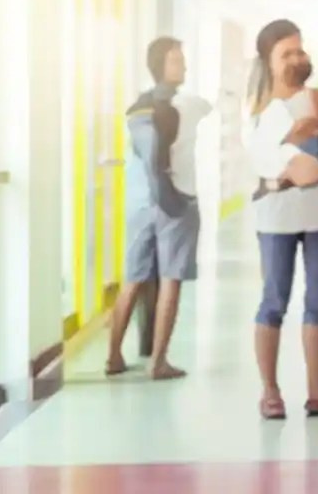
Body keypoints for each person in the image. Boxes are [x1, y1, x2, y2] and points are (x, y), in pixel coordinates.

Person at [247, 19, 318, 420]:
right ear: (268, 61)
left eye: (300, 50)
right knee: (273, 301)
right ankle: (270, 392)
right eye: (286, 53)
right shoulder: (263, 113)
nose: (297, 58)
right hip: (275, 216)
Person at [108, 37, 212, 380]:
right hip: (177, 202)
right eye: (176, 60)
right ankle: (158, 361)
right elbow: (209, 106)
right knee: (171, 279)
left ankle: (113, 357)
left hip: (140, 203)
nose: (183, 65)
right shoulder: (189, 104)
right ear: (161, 65)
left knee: (133, 279)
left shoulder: (136, 108)